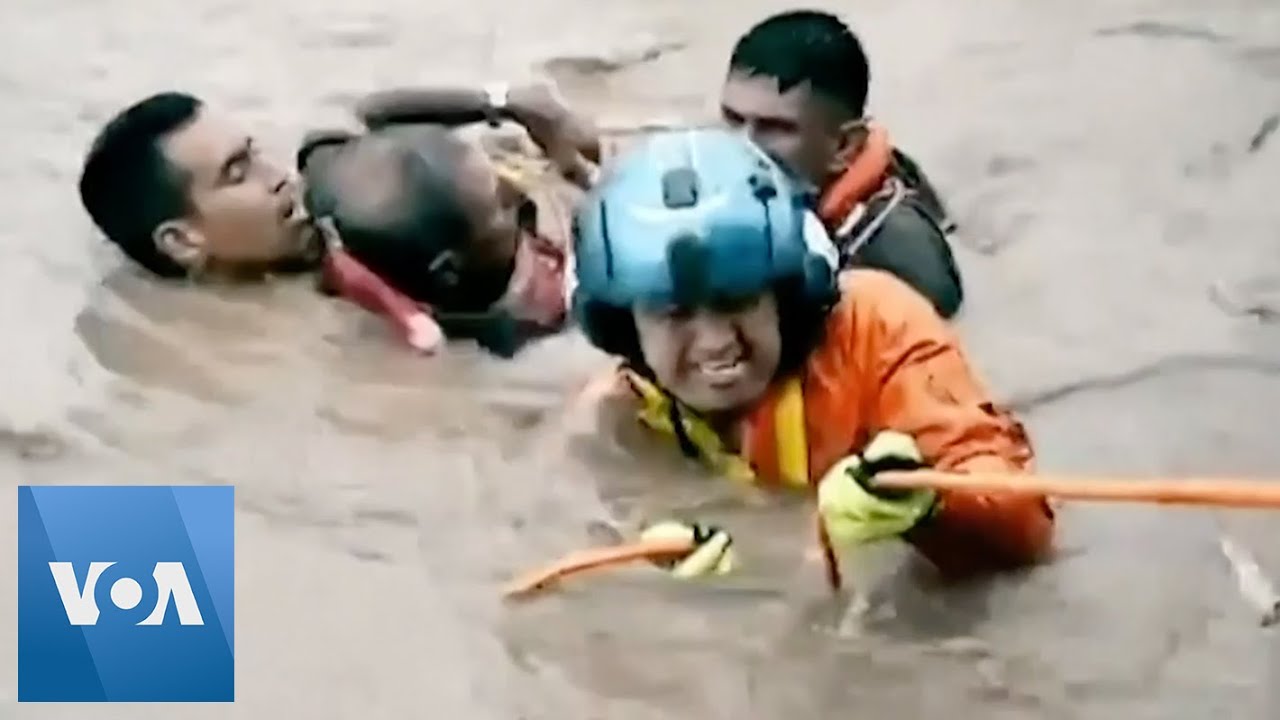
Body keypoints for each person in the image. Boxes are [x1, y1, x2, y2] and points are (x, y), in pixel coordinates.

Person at [570, 128, 1053, 581]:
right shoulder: (618, 412)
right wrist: (644, 570)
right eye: (675, 314)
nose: (716, 341)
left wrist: (928, 508)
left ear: (784, 295)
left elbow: (1026, 522)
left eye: (738, 300)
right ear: (625, 328)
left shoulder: (880, 327)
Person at [77, 91, 440, 351]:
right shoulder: (246, 352)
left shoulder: (347, 203)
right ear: (182, 241)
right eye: (238, 173)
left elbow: (372, 113)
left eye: (255, 153)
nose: (279, 176)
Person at [296, 83, 590, 356]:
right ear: (450, 269)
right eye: (500, 206)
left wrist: (505, 105)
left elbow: (368, 111)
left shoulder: (333, 176)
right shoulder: (525, 325)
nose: (520, 198)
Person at [720, 10, 964, 319]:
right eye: (733, 119)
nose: (743, 147)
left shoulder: (901, 256)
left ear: (844, 146)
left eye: (775, 128)